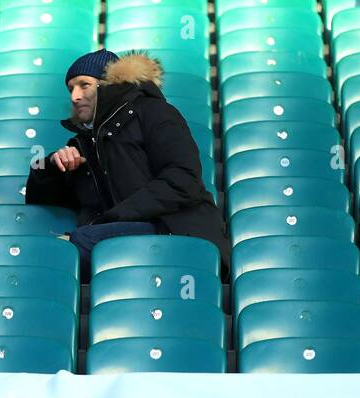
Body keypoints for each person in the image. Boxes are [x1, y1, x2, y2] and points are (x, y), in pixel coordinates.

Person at [24, 50, 229, 280]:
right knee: (51, 253)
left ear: (109, 84)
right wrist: (52, 165)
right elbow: (40, 201)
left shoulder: (155, 113)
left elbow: (183, 179)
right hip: (122, 234)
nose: (74, 96)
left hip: (177, 230)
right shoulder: (84, 145)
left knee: (70, 249)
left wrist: (113, 219)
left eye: (84, 85)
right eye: (71, 88)